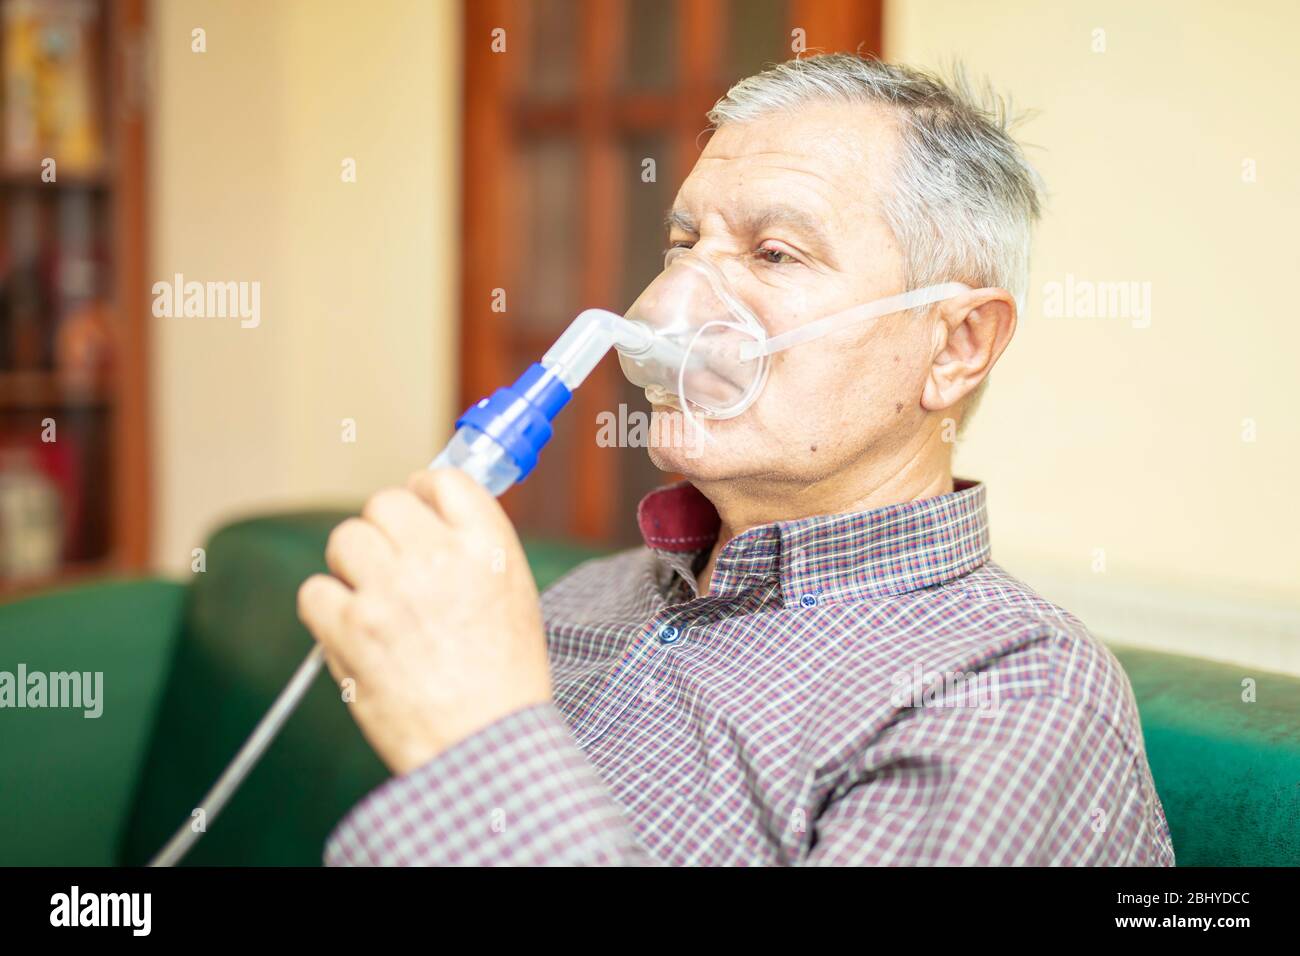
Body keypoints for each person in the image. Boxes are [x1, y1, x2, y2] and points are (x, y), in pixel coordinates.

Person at [298, 54, 1175, 866]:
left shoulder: (1013, 698)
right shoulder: (587, 600)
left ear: (956, 345)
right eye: (685, 245)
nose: (670, 305)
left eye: (774, 253)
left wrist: (481, 742)